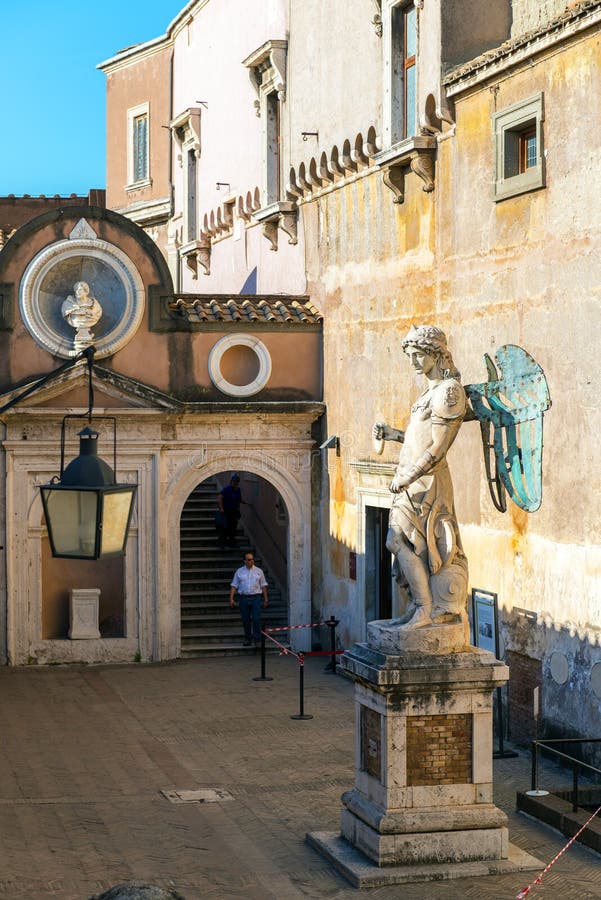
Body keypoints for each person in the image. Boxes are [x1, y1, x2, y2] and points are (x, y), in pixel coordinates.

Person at [372, 324, 468, 630]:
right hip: (412, 480)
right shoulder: (429, 391)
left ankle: (425, 610)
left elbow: (438, 449)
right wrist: (394, 435)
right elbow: (420, 439)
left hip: (429, 483)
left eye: (418, 355)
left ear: (434, 354)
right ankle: (418, 608)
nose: (413, 361)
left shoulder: (449, 392)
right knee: (399, 541)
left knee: (401, 541)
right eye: (410, 355)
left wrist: (407, 477)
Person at [229, 552, 268, 646]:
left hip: (256, 598)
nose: (252, 561)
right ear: (245, 561)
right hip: (243, 598)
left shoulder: (259, 571)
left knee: (256, 618)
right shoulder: (239, 571)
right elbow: (234, 585)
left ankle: (257, 639)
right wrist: (231, 598)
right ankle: (247, 638)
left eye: (252, 559)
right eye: (249, 559)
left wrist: (266, 599)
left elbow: (263, 586)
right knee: (245, 619)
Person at [216, 473, 243, 546]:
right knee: (225, 527)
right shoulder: (227, 489)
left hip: (234, 512)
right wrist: (221, 508)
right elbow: (220, 497)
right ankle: (221, 543)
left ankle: (232, 543)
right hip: (226, 511)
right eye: (234, 481)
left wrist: (238, 510)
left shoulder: (238, 490)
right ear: (231, 481)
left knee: (233, 527)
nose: (235, 483)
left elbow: (239, 500)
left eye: (237, 481)